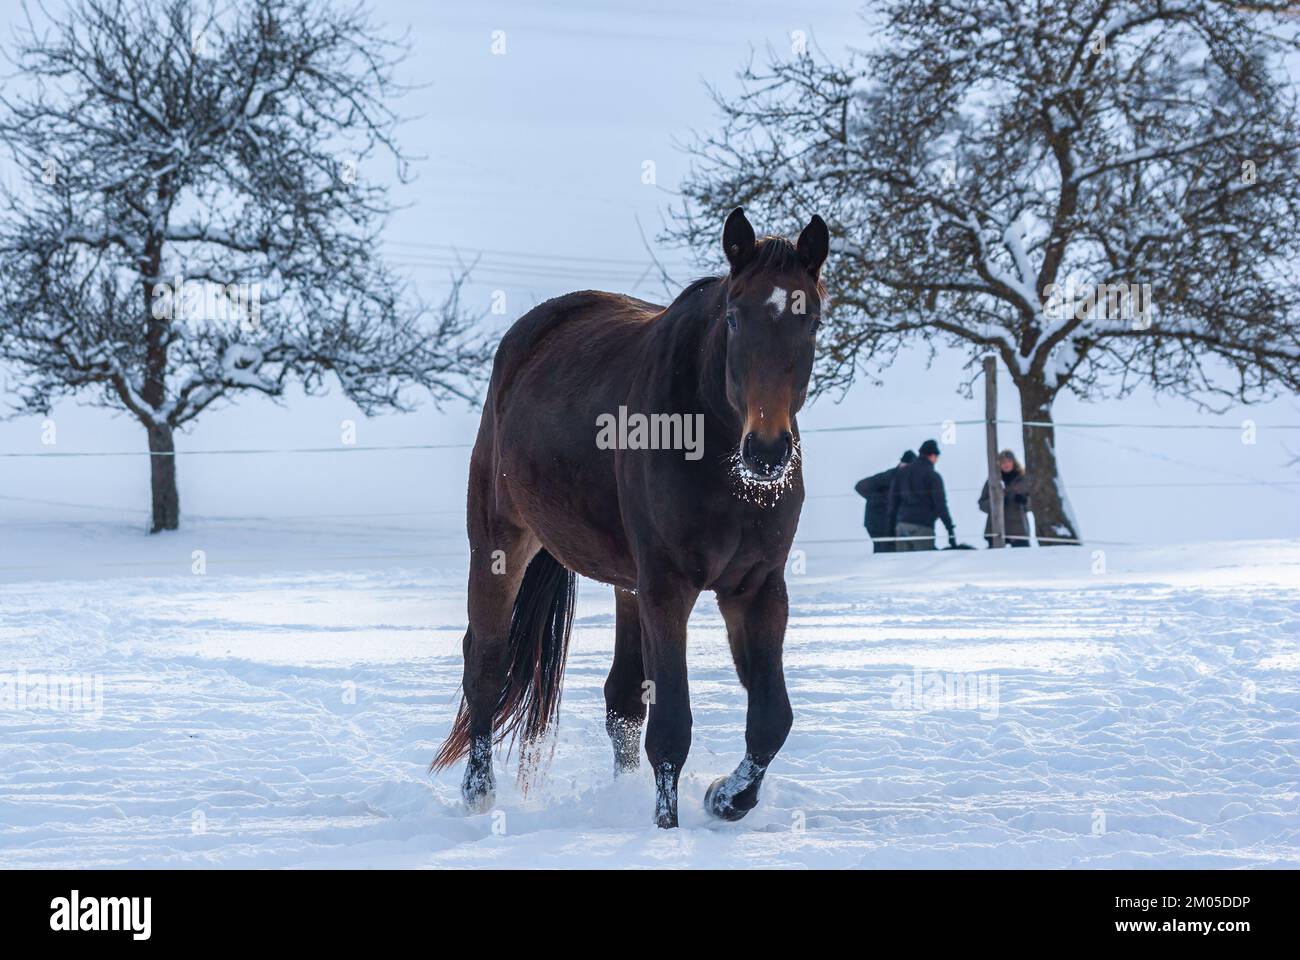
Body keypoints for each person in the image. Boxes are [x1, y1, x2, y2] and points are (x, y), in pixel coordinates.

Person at [887, 438, 956, 551]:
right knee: (922, 563)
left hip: (902, 526)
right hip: (923, 527)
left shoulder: (901, 473)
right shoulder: (933, 476)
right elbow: (941, 505)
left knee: (903, 565)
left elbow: (893, 504)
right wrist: (950, 530)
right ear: (933, 455)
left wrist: (889, 531)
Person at [855, 451, 916, 553]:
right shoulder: (890, 476)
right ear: (902, 465)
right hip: (878, 523)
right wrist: (883, 500)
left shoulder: (903, 479)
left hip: (888, 525)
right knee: (884, 553)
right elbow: (860, 486)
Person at [979, 449, 1032, 547]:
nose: (1006, 464)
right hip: (995, 529)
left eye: (1008, 461)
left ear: (1014, 463)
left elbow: (1033, 505)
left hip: (1018, 530)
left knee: (1022, 559)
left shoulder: (1023, 480)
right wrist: (996, 502)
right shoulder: (992, 481)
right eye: (1003, 462)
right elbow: (982, 504)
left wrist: (1025, 501)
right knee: (994, 560)